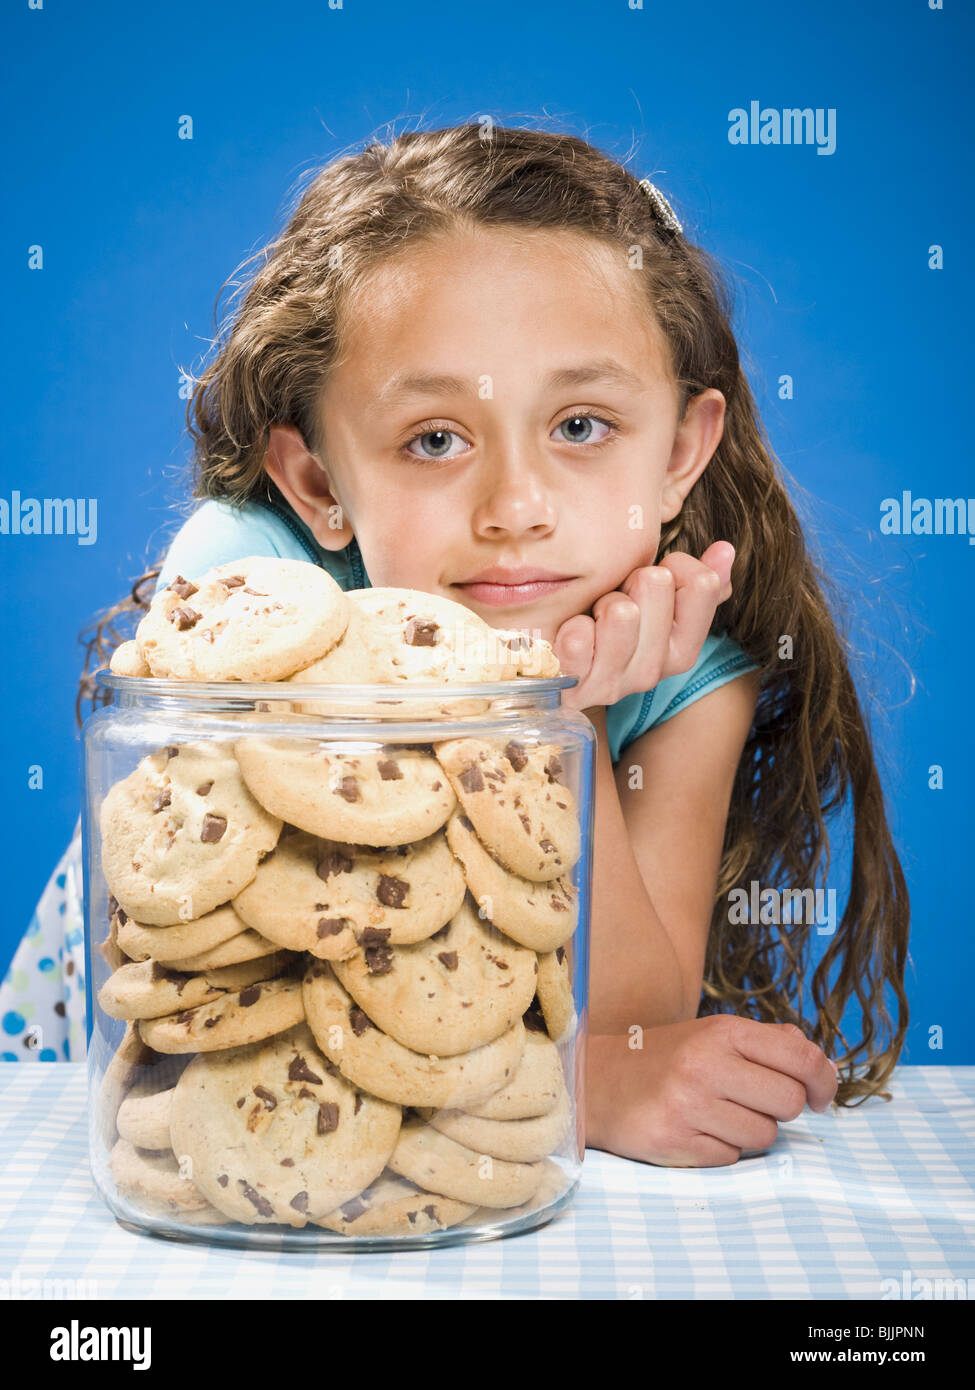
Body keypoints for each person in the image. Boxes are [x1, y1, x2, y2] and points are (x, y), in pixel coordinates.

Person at [5, 122, 909, 1166]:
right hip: (114, 1090)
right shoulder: (253, 594)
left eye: (579, 426)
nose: (516, 507)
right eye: (435, 440)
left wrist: (564, 713)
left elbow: (630, 1017)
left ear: (677, 454)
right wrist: (590, 1094)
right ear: (318, 483)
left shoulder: (686, 670)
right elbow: (251, 1016)